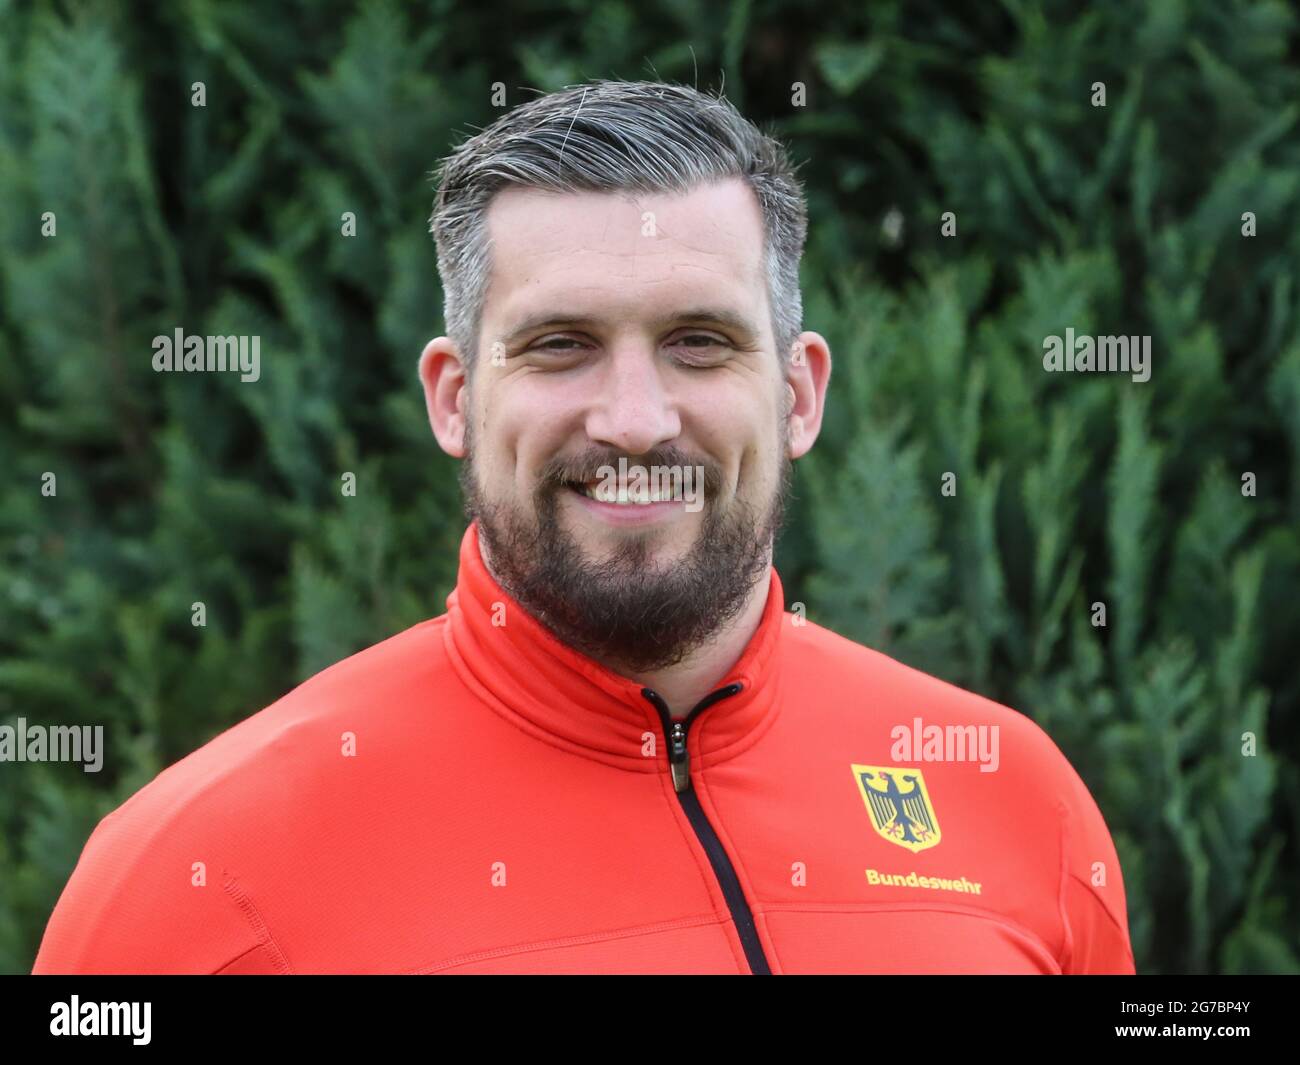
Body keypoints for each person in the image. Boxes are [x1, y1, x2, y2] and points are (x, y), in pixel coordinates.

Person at [32, 79, 1135, 974]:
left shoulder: (1008, 795)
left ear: (798, 394)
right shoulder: (202, 873)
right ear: (453, 398)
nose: (637, 422)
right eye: (559, 345)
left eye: (700, 342)